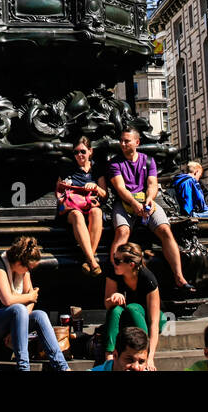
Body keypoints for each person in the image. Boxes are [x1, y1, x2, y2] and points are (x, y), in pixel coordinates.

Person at [106, 127, 195, 292]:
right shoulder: (115, 163)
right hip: (125, 203)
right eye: (121, 141)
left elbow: (152, 184)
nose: (123, 144)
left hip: (146, 202)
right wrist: (134, 203)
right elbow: (120, 188)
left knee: (166, 230)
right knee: (122, 232)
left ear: (137, 142)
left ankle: (179, 276)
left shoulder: (148, 161)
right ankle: (114, 276)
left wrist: (149, 200)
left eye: (127, 141)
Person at [0, 236, 69, 371]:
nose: (29, 271)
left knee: (39, 315)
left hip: (7, 320)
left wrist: (19, 326)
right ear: (19, 263)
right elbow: (7, 300)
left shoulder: (23, 272)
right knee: (18, 308)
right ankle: (24, 367)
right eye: (28, 268)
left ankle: (62, 366)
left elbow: (30, 302)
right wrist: (29, 297)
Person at [102, 242, 166, 370]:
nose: (113, 262)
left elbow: (154, 322)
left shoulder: (148, 278)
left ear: (131, 265)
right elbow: (107, 304)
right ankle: (109, 356)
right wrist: (113, 299)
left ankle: (142, 351)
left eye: (117, 260)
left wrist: (150, 357)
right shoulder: (113, 272)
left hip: (148, 320)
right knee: (115, 310)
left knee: (133, 307)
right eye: (114, 258)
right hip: (126, 319)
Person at [56, 136, 107, 275]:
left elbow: (105, 194)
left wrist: (96, 187)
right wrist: (64, 201)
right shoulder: (67, 168)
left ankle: (88, 259)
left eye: (83, 151)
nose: (79, 155)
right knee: (77, 215)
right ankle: (92, 261)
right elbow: (58, 192)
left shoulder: (97, 169)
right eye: (76, 152)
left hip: (90, 206)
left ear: (90, 151)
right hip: (71, 209)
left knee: (97, 212)